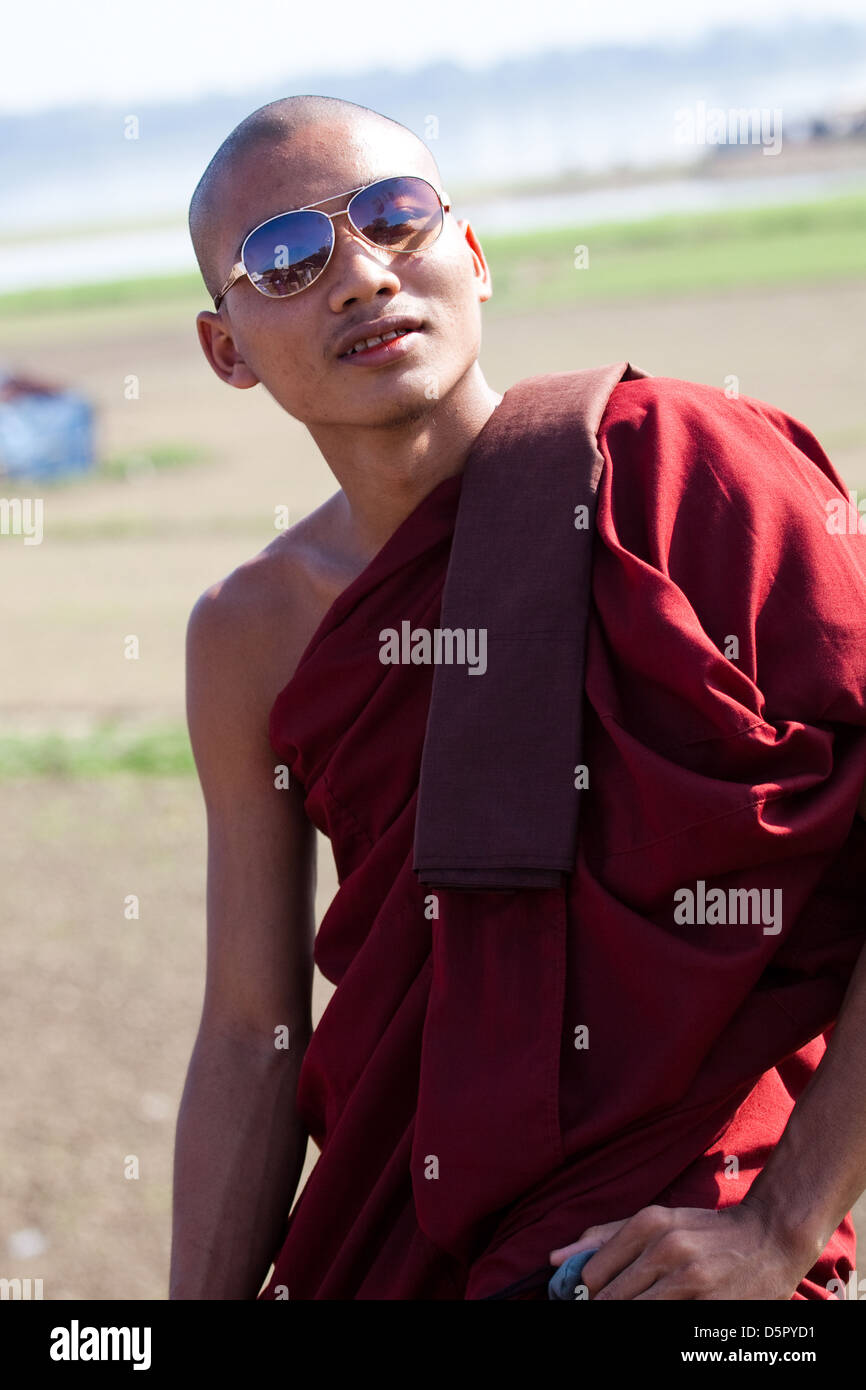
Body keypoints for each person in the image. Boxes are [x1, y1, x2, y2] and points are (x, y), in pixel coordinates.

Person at [170, 93, 866, 1301]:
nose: (360, 275)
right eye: (287, 257)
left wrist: (781, 1223)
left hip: (675, 1253)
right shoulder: (252, 635)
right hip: (392, 1249)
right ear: (226, 348)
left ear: (472, 258)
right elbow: (249, 1029)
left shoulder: (685, 474)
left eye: (395, 217)